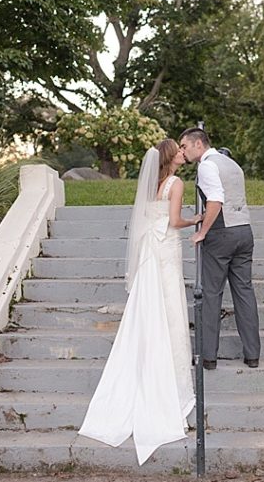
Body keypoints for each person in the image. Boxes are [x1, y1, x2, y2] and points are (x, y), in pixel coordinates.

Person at [78, 139, 201, 465]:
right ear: (171, 156)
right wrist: (195, 220)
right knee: (171, 310)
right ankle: (172, 385)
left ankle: (148, 363)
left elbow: (149, 219)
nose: (183, 153)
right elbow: (174, 221)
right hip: (167, 250)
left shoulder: (151, 185)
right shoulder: (176, 183)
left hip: (150, 251)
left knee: (149, 310)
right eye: (179, 150)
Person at [178, 127, 260, 370]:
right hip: (244, 231)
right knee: (244, 292)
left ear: (198, 144)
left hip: (221, 234)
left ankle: (208, 357)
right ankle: (252, 355)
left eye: (184, 146)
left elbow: (216, 200)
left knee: (211, 294)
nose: (183, 151)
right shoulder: (232, 164)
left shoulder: (206, 166)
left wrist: (202, 232)